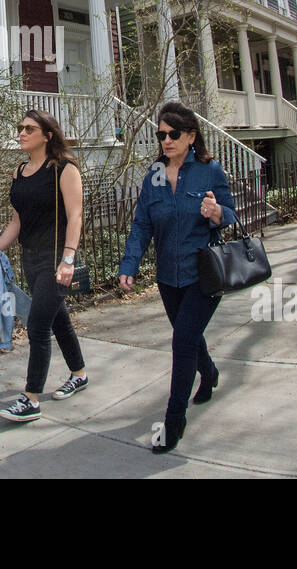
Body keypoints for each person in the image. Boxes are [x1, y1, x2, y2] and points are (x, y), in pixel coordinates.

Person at [119, 101, 236, 454]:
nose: (166, 140)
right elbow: (141, 225)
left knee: (182, 342)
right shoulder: (153, 174)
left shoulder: (209, 170)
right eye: (161, 134)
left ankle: (173, 421)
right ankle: (210, 373)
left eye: (173, 134)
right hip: (168, 277)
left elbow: (230, 213)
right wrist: (129, 265)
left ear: (191, 136)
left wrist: (217, 213)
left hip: (204, 274)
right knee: (189, 336)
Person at [0, 109, 87, 422]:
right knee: (58, 320)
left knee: (37, 325)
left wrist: (69, 258)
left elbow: (75, 215)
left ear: (47, 135)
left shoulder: (64, 168)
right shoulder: (19, 172)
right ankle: (79, 373)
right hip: (30, 257)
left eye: (29, 129)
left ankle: (30, 398)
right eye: (20, 127)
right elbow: (17, 221)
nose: (21, 132)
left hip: (56, 258)